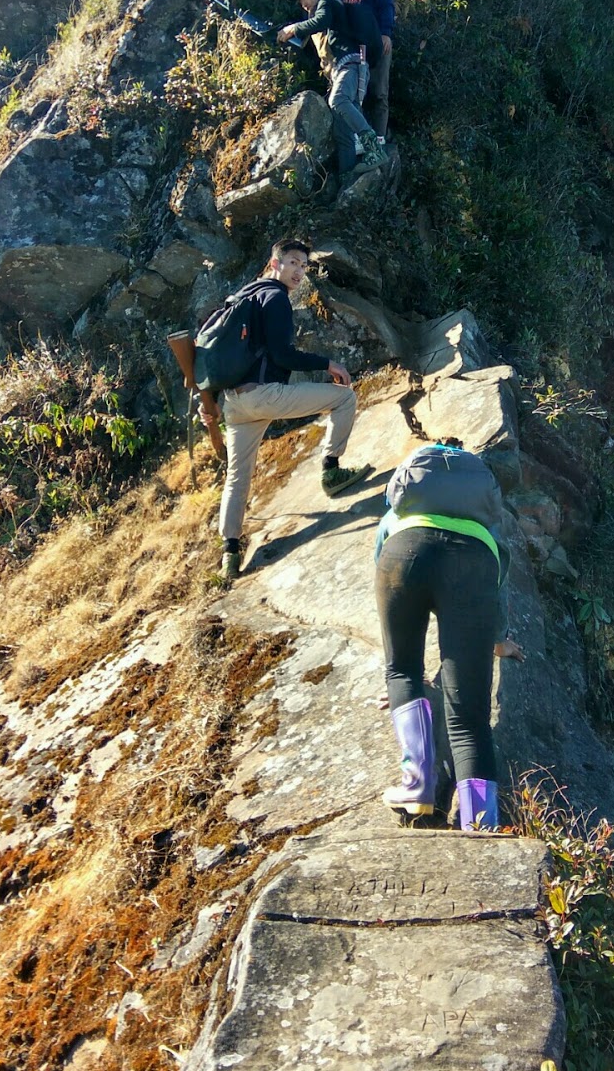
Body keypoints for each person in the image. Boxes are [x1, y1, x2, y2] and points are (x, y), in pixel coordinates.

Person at [374, 441, 524, 831]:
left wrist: (400, 696)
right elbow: (499, 579)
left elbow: (381, 554)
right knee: (470, 713)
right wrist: (498, 639)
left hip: (403, 556)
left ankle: (417, 785)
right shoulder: (485, 523)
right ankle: (480, 820)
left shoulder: (400, 511)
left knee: (403, 670)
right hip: (472, 569)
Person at [210, 239, 372, 580]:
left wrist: (208, 403)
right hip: (265, 395)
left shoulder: (243, 296)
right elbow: (283, 355)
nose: (300, 271)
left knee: (237, 477)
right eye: (294, 263)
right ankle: (331, 470)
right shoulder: (276, 298)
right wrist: (329, 363)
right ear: (275, 264)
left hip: (235, 403)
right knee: (343, 398)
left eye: (304, 265)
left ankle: (229, 553)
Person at [277, 0, 386, 178]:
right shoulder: (328, 22)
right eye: (301, 1)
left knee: (338, 100)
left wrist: (293, 28)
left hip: (351, 63)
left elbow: (321, 21)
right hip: (343, 70)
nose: (304, 3)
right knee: (342, 131)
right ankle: (348, 177)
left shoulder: (327, 0)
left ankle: (374, 149)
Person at [322, 0, 396, 139]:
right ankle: (358, 140)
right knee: (351, 94)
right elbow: (324, 12)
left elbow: (386, 5)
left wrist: (386, 33)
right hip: (347, 46)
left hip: (375, 40)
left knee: (379, 91)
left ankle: (379, 139)